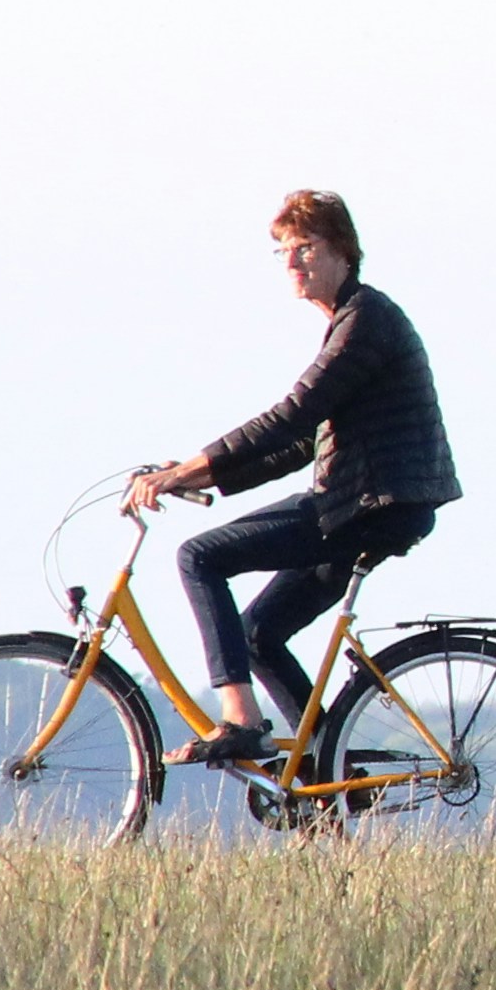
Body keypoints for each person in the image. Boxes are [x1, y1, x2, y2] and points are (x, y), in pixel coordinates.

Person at [124, 190, 463, 769]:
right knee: (257, 634)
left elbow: (293, 415)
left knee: (199, 557)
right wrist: (202, 476)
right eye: (282, 250)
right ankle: (324, 772)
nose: (291, 261)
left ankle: (240, 719)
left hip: (367, 505)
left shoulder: (366, 322)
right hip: (366, 502)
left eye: (305, 247)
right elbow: (302, 445)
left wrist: (190, 465)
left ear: (343, 252)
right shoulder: (350, 321)